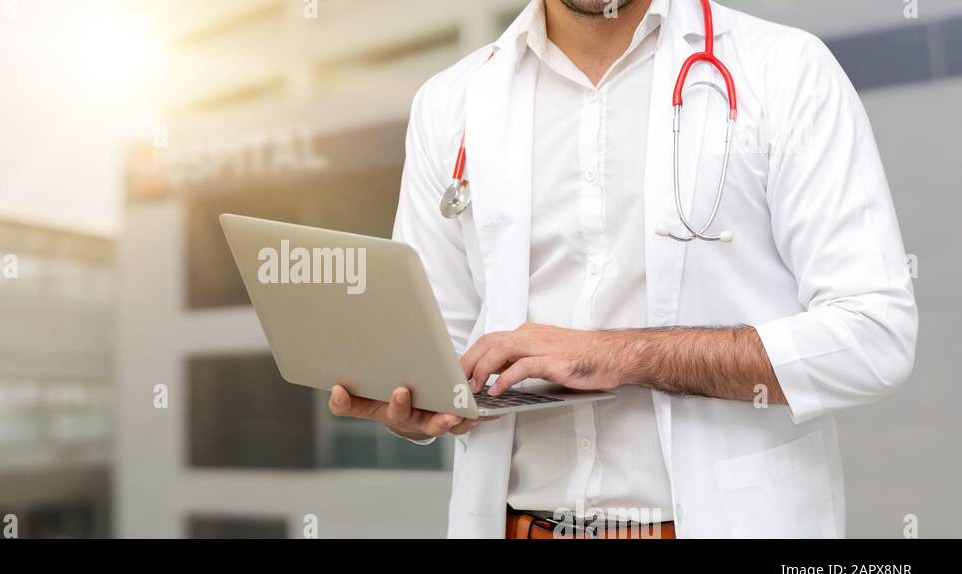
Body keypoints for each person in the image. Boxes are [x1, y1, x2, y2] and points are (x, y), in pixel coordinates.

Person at [328, 0, 917, 538]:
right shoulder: (450, 101)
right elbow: (442, 352)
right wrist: (411, 408)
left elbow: (875, 336)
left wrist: (622, 354)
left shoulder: (785, 71)